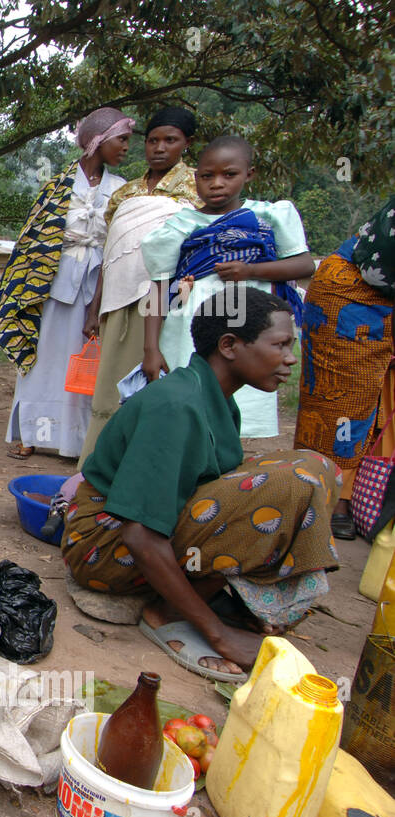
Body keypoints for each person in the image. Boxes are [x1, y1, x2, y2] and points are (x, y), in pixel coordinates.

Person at [65, 286, 339, 681]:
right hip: (102, 549)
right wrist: (220, 635)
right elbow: (139, 534)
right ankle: (169, 614)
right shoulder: (175, 405)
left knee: (317, 469)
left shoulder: (217, 400)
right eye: (280, 345)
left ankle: (219, 604)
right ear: (229, 345)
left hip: (145, 535)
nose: (290, 358)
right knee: (293, 480)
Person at [141, 135, 314, 438]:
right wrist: (151, 348)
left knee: (242, 403)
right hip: (189, 326)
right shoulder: (180, 224)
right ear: (196, 178)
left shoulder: (269, 215)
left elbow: (303, 265)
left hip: (250, 323)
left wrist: (251, 270)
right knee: (192, 405)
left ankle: (232, 474)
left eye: (229, 174)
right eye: (207, 176)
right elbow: (160, 288)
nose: (217, 183)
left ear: (250, 174)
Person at [0, 108, 132, 459]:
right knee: (42, 359)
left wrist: (96, 306)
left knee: (84, 364)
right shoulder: (56, 187)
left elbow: (118, 246)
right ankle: (31, 434)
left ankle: (76, 442)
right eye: (122, 139)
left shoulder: (122, 190)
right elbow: (33, 239)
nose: (127, 147)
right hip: (50, 283)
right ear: (98, 140)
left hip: (98, 283)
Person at [78, 107, 199, 463]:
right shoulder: (125, 193)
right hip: (118, 300)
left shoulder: (197, 186)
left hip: (165, 302)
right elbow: (110, 253)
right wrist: (95, 306)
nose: (159, 148)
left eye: (170, 140)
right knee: (108, 391)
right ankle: (94, 469)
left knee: (150, 389)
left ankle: (139, 467)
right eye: (152, 140)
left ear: (187, 144)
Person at [294, 194, 395, 539]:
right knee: (341, 403)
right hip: (352, 294)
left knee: (385, 401)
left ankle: (372, 497)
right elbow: (379, 267)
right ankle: (332, 496)